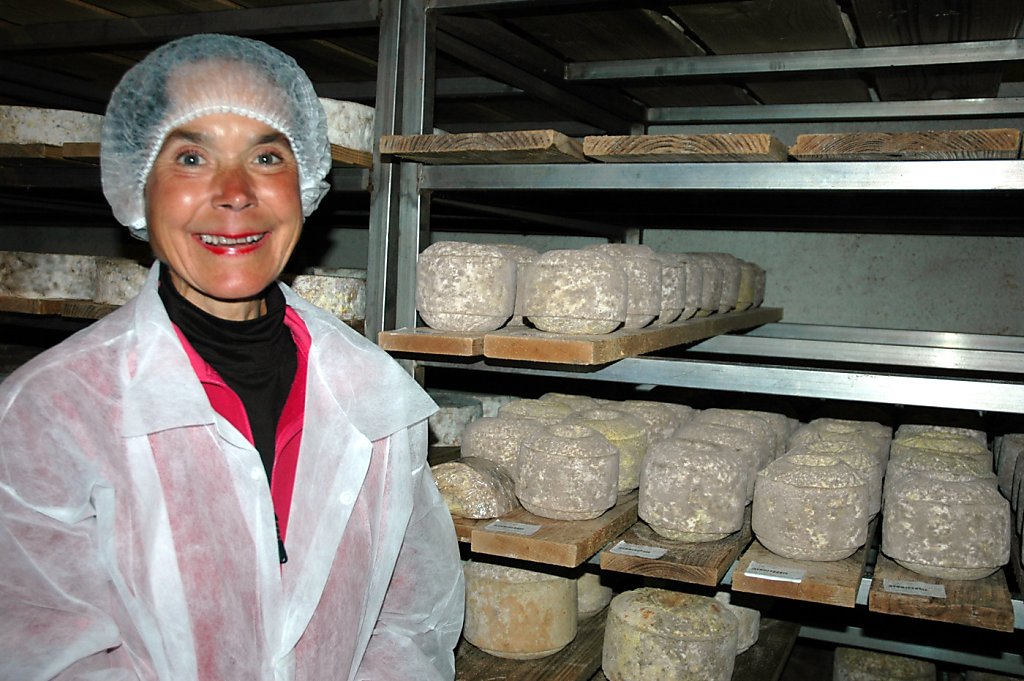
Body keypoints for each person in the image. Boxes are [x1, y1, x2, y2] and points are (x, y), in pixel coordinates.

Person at [0, 34, 464, 680]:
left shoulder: (374, 394)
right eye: (192, 156)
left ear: (304, 183)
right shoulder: (49, 414)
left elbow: (410, 623)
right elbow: (43, 656)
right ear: (139, 184)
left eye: (266, 156)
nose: (235, 191)